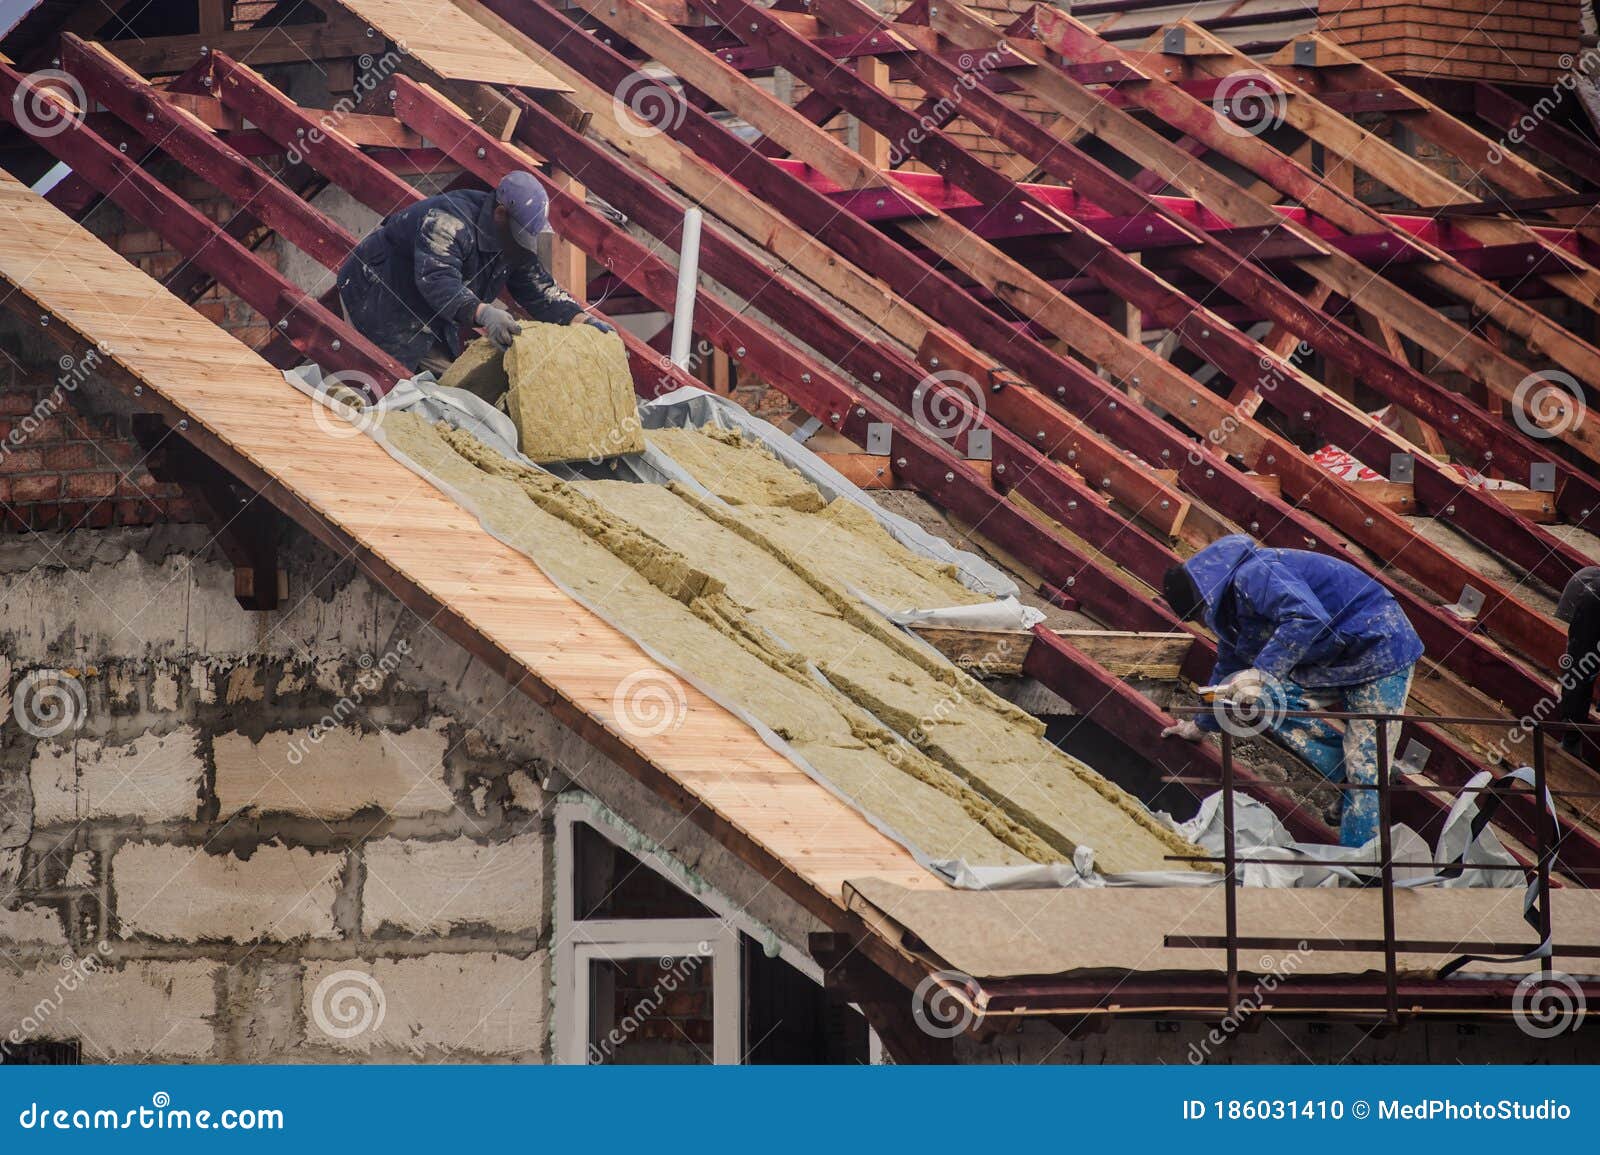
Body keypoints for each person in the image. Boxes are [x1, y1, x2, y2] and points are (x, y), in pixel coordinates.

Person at [1158, 534, 1423, 847]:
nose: (1203, 623)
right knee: (1252, 698)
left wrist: (1262, 675)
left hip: (1381, 647)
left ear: (1206, 600)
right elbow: (1230, 669)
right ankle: (1345, 775)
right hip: (1333, 655)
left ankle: (1359, 867)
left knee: (1365, 769)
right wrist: (1199, 726)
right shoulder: (1231, 608)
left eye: (1198, 616)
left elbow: (1308, 617)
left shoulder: (1255, 575)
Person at [335, 171, 613, 376]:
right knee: (381, 383)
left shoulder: (512, 240)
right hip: (378, 295)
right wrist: (483, 313)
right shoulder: (448, 221)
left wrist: (580, 318)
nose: (521, 244)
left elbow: (537, 287)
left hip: (428, 314)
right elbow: (437, 281)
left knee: (449, 388)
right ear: (500, 213)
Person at [1556, 566, 1600, 758]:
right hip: (1591, 593)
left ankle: (1570, 741)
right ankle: (1570, 742)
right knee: (1581, 670)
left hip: (1589, 589)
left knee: (1580, 671)